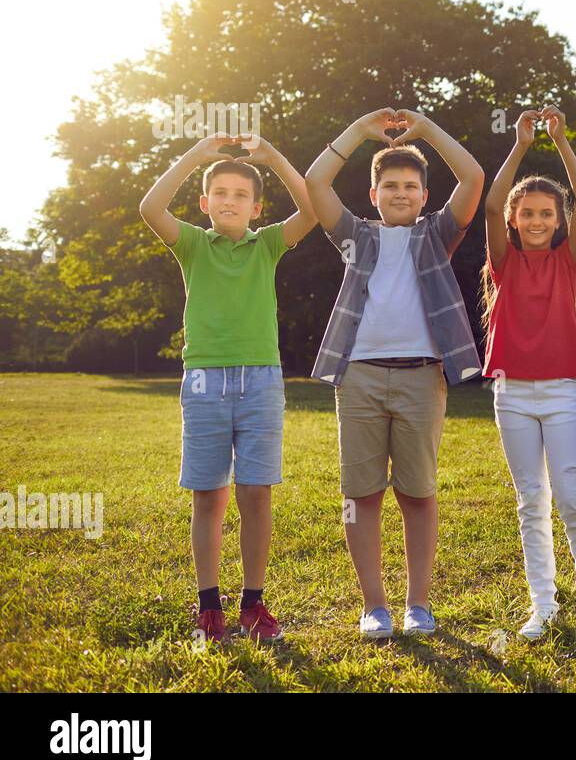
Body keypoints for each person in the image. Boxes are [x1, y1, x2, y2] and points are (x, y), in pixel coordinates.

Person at [305, 107, 484, 639]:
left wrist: (427, 130)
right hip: (358, 376)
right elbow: (315, 181)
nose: (401, 193)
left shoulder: (438, 235)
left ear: (425, 196)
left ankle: (418, 605)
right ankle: (374, 606)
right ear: (374, 193)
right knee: (361, 495)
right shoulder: (355, 236)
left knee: (418, 493)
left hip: (422, 378)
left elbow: (473, 177)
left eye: (410, 185)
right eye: (390, 185)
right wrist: (358, 131)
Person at [139, 131, 317, 643]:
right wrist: (196, 156)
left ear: (257, 207)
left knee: (256, 493)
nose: (230, 201)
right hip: (204, 380)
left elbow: (312, 210)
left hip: (261, 379)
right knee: (208, 498)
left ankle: (253, 605)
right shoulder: (193, 244)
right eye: (221, 194)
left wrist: (274, 156)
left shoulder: (268, 245)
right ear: (205, 203)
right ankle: (209, 608)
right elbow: (150, 207)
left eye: (241, 195)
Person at [481, 105, 576, 641]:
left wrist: (560, 141)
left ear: (557, 222)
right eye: (528, 214)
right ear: (516, 220)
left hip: (561, 393)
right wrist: (519, 144)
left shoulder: (568, 260)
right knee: (530, 502)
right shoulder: (504, 261)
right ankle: (543, 604)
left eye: (546, 214)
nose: (537, 221)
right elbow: (491, 204)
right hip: (511, 394)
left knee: (573, 497)